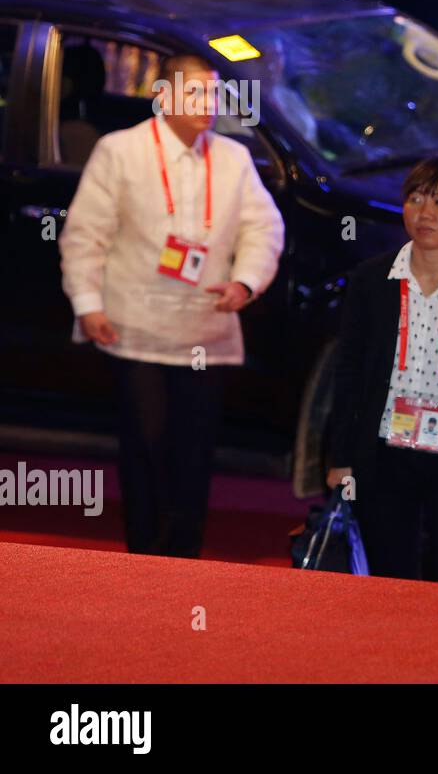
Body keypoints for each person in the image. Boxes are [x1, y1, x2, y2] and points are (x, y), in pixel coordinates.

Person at [59, 53, 284, 557]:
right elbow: (84, 236)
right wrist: (88, 304)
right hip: (134, 324)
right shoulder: (120, 150)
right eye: (194, 92)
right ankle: (146, 554)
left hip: (205, 328)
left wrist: (245, 283)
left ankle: (184, 558)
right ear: (163, 96)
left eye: (213, 94)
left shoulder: (233, 157)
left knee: (195, 450)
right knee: (146, 443)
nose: (207, 104)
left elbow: (264, 229)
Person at [325, 157, 438, 583]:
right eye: (416, 198)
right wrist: (340, 458)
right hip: (384, 451)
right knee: (390, 583)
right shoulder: (371, 281)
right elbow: (347, 374)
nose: (425, 212)